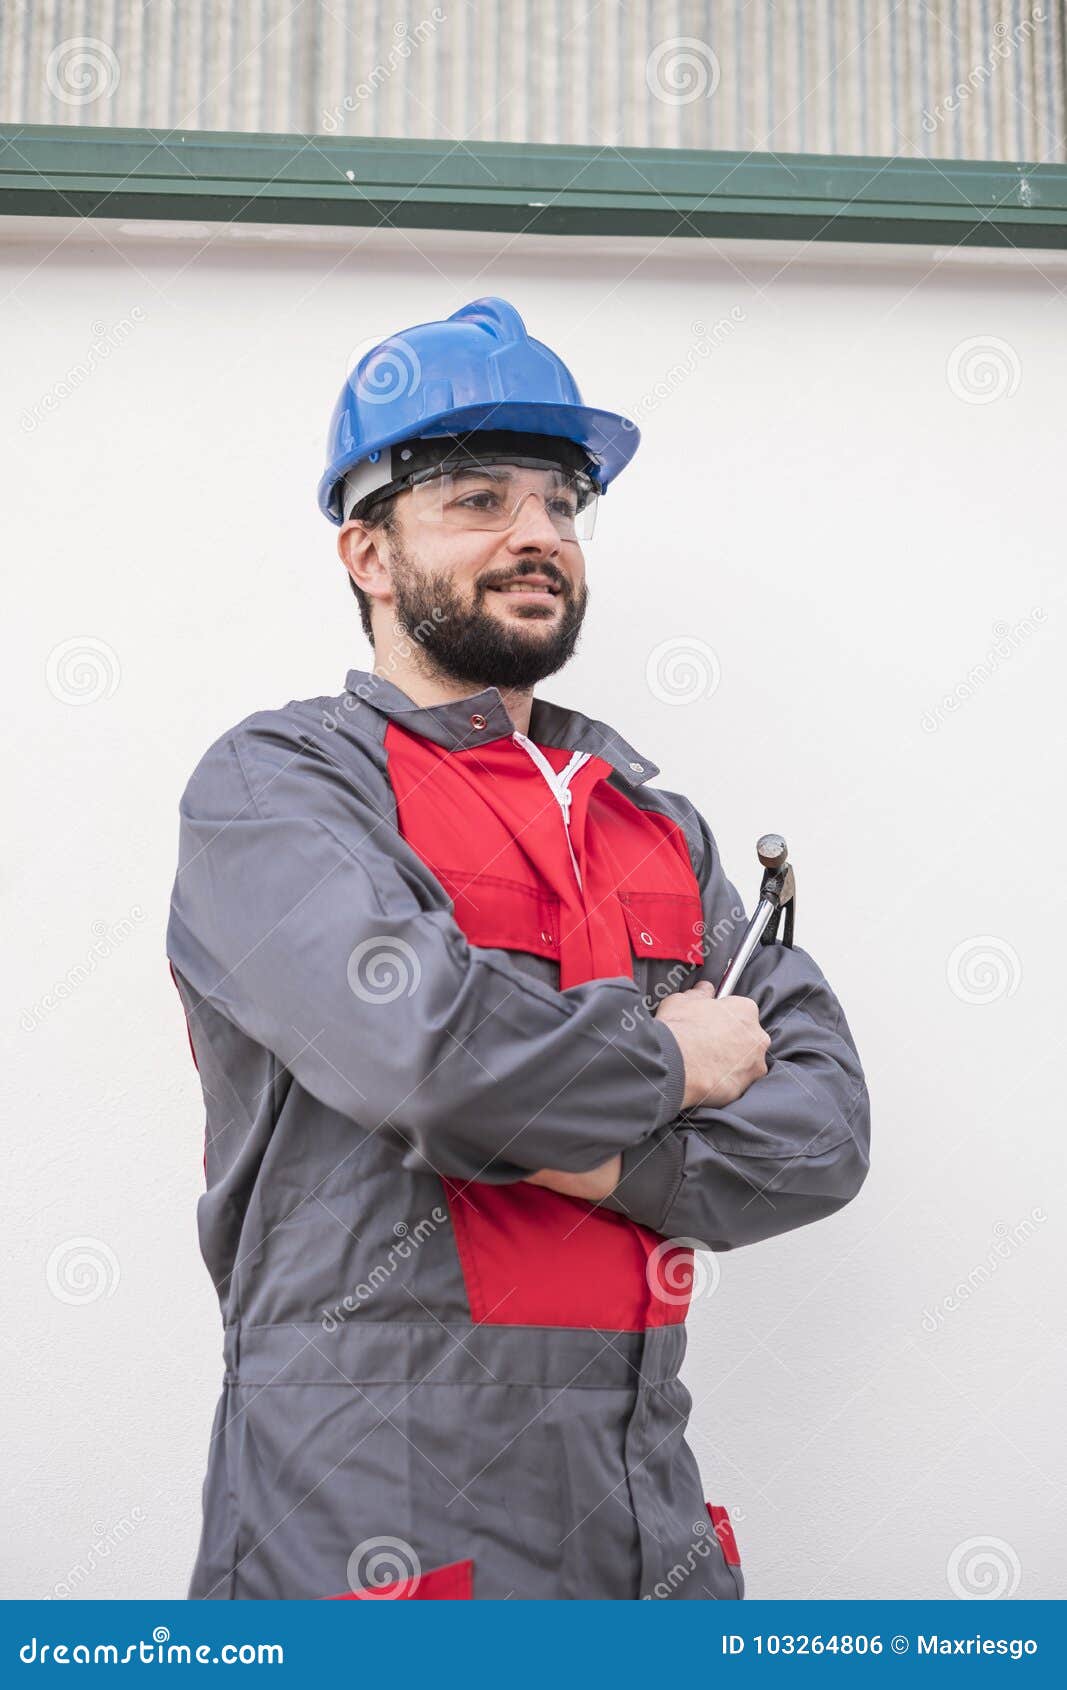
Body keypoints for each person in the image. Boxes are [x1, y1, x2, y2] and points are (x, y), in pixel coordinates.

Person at [166, 296, 870, 1601]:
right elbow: (426, 1058)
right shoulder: (278, 792)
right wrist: (670, 1059)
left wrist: (553, 1133)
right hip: (372, 1559)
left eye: (559, 502)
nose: (536, 532)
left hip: (646, 1541)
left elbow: (820, 1133)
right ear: (369, 554)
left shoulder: (656, 823)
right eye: (477, 499)